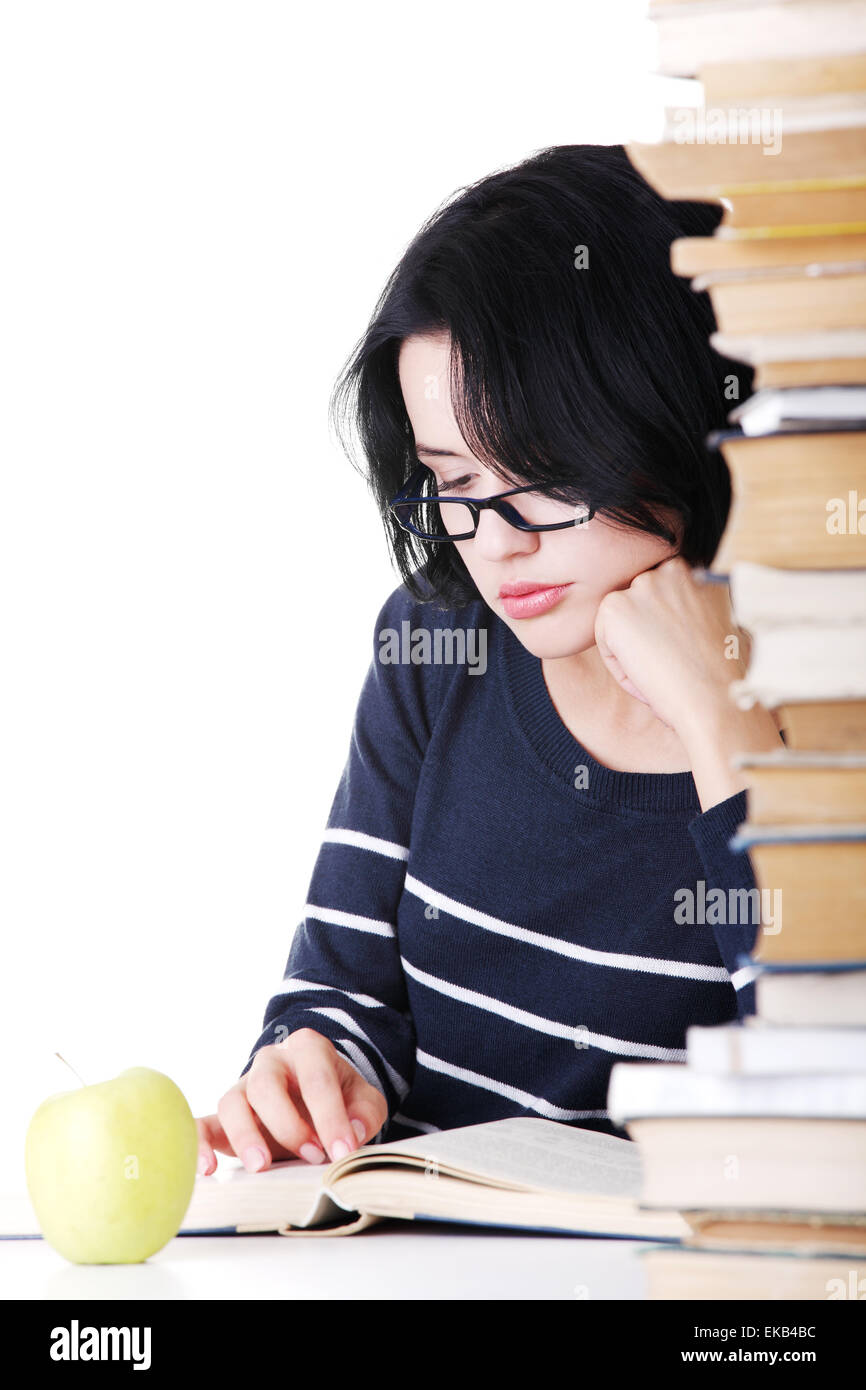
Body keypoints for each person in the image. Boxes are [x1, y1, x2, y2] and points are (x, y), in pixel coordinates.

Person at [195, 144, 784, 1178]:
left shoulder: (818, 714)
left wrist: (723, 732)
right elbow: (341, 991)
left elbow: (833, 1110)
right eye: (454, 478)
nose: (495, 541)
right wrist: (312, 1070)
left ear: (680, 422)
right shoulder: (436, 645)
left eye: (545, 476)